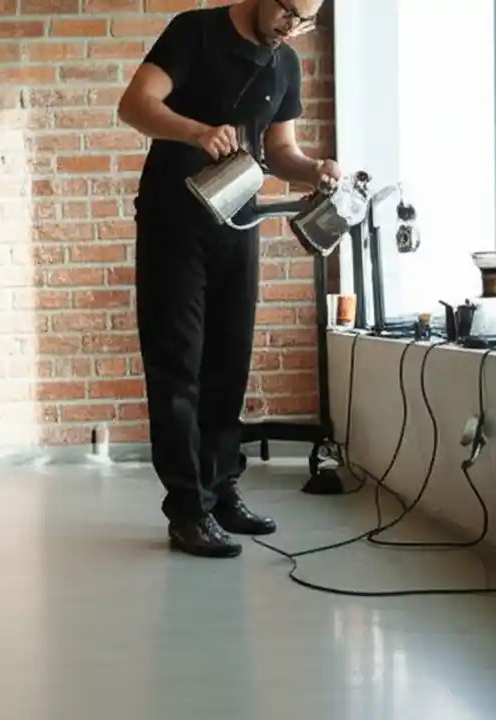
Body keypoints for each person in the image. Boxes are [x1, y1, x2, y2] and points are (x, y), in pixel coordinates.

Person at [117, 0, 341, 558]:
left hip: (238, 219)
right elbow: (135, 104)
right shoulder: (195, 32)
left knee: (229, 359)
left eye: (308, 21)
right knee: (178, 362)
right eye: (291, 13)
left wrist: (314, 169)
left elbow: (280, 150)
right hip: (175, 218)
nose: (294, 28)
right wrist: (195, 132)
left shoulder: (284, 62)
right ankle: (187, 510)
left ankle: (221, 492)